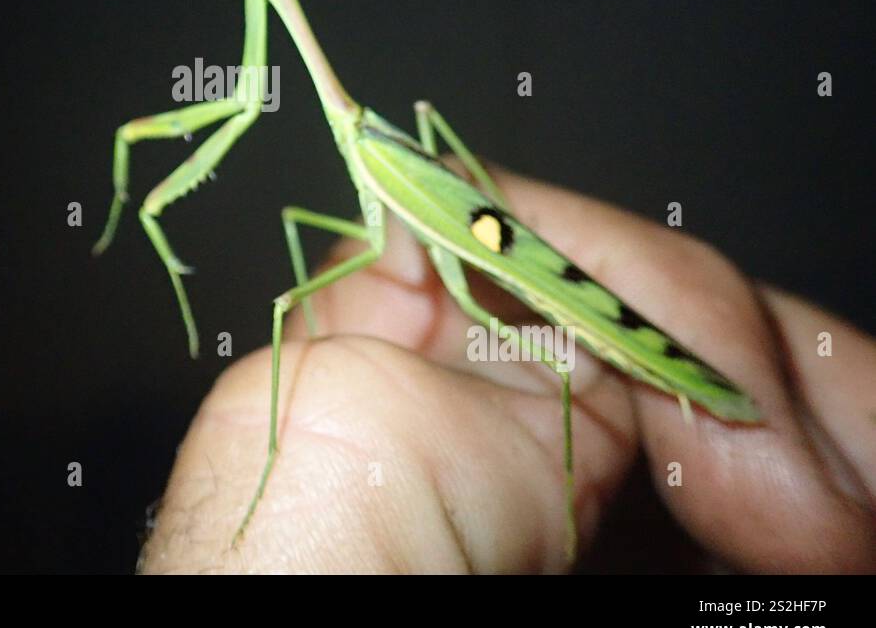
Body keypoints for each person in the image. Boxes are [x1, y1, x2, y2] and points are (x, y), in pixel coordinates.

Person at [138, 165, 876, 573]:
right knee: (303, 227)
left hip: (482, 244)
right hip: (461, 226)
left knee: (557, 372)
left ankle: (272, 453)